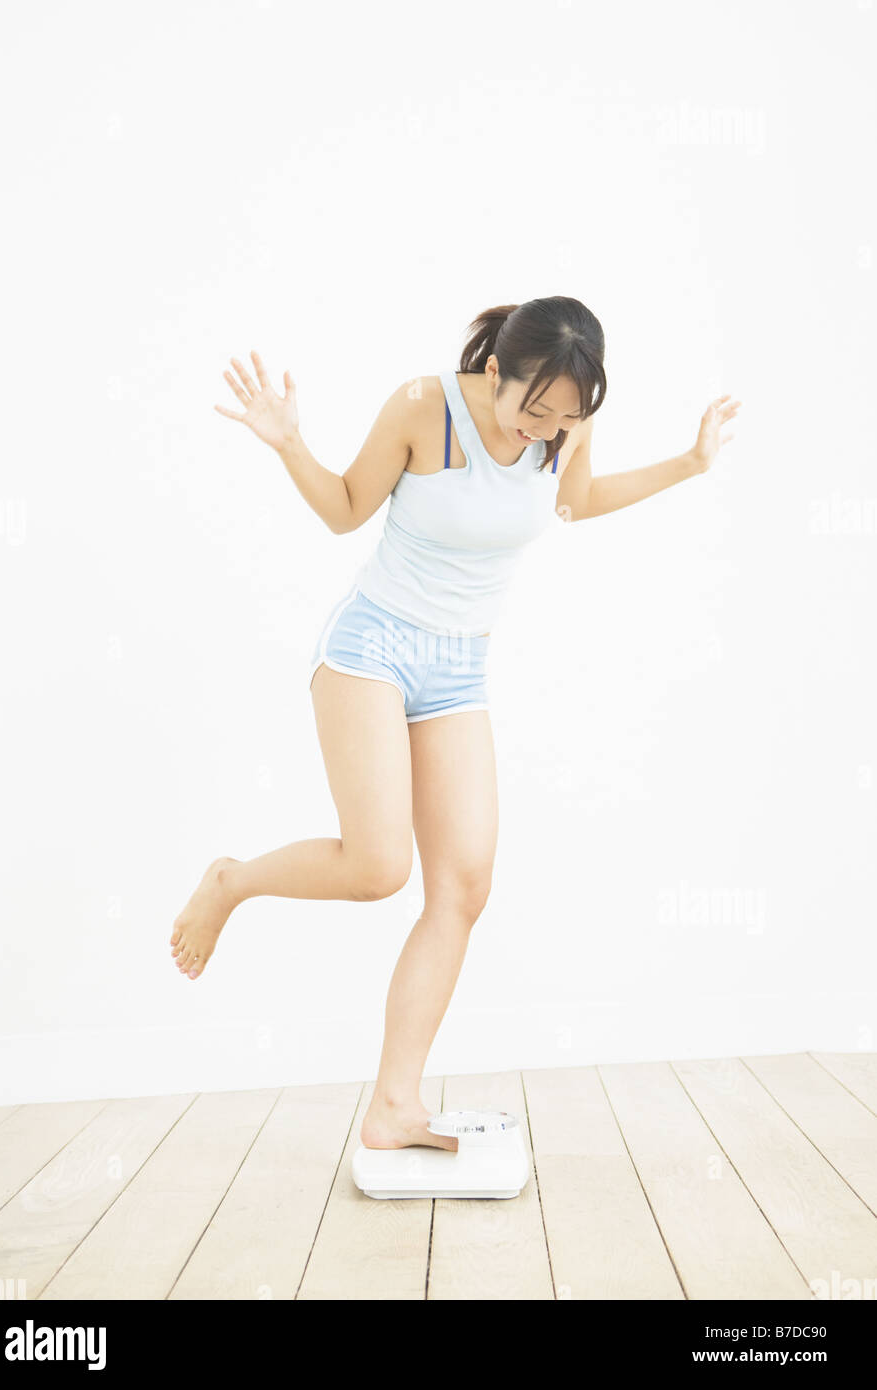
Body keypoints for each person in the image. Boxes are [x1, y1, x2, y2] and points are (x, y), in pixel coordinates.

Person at [169, 295, 741, 1152]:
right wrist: (288, 440)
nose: (541, 432)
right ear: (494, 372)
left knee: (463, 887)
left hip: (459, 666)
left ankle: (395, 1103)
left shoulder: (566, 423)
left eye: (564, 418)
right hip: (371, 649)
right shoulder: (422, 407)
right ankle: (231, 882)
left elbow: (573, 505)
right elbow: (343, 510)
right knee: (376, 869)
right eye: (531, 409)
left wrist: (690, 464)